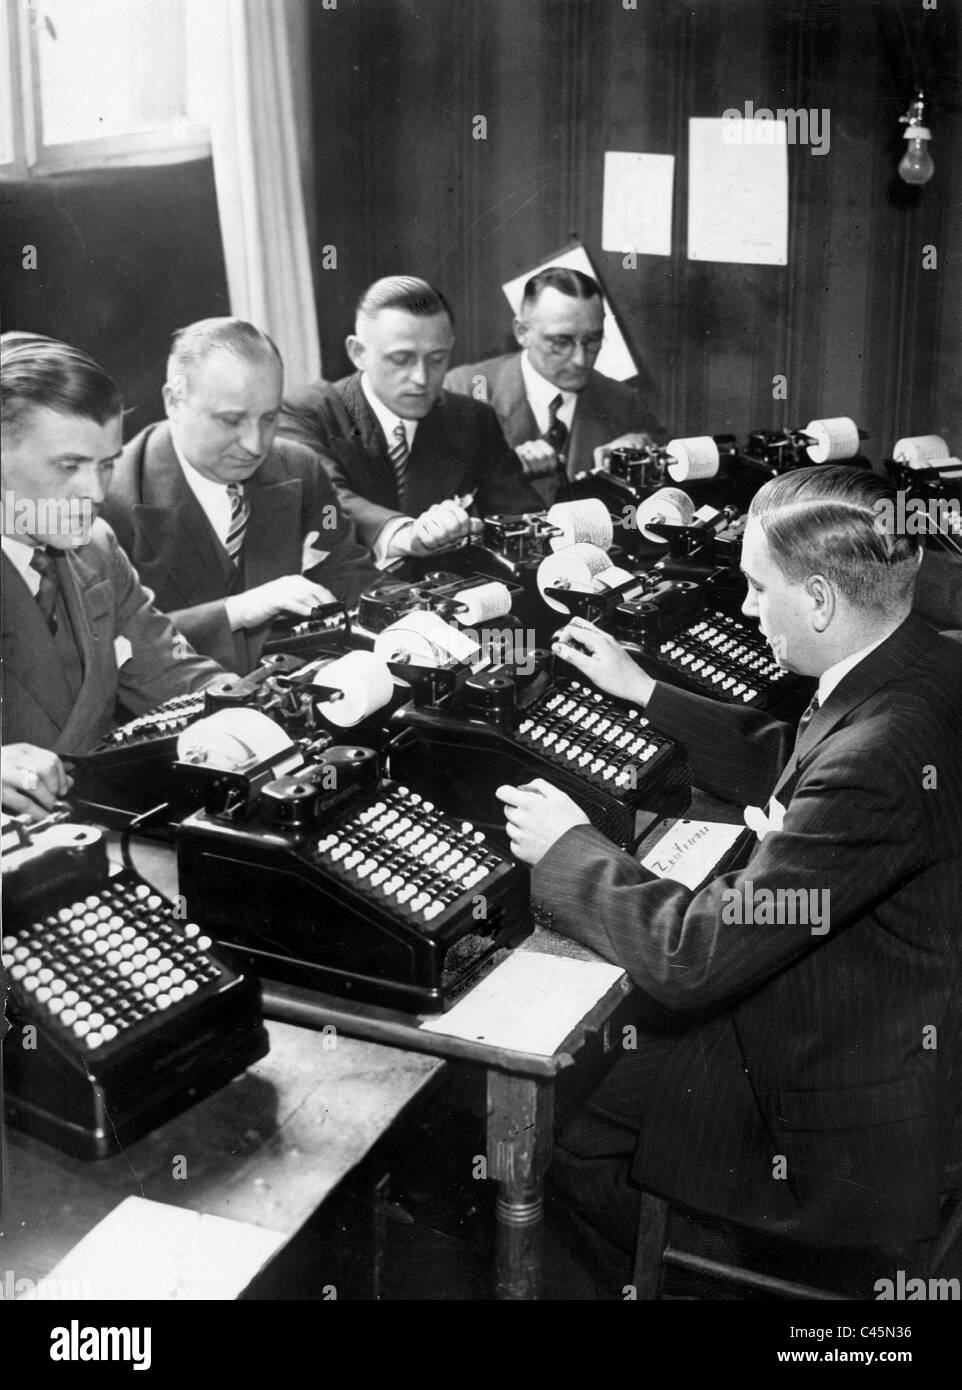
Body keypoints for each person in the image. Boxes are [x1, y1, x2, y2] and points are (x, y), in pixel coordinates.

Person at [496, 464, 962, 1296]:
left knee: (570, 1132)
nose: (746, 610)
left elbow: (693, 956)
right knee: (606, 1093)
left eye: (757, 588)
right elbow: (802, 759)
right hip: (890, 1024)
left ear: (819, 601)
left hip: (844, 1121)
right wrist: (645, 691)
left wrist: (566, 846)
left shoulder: (875, 764)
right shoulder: (925, 666)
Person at [1, 332, 224, 821]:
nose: (94, 492)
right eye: (69, 466)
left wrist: (269, 706)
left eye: (105, 465)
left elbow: (169, 672)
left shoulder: (96, 545)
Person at [100, 318, 378, 674]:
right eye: (231, 420)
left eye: (268, 418)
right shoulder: (105, 501)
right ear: (174, 401)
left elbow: (349, 571)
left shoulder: (300, 467)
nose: (255, 444)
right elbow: (112, 648)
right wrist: (235, 611)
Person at [279, 276, 543, 562]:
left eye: (437, 359)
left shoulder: (473, 419)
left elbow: (520, 513)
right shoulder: (307, 412)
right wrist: (404, 534)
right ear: (358, 353)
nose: (421, 378)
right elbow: (330, 500)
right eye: (401, 359)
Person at [444, 266, 663, 505]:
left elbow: (668, 478)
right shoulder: (464, 389)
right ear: (522, 332)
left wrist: (646, 449)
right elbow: (431, 494)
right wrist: (501, 468)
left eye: (592, 340)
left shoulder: (624, 401)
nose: (580, 360)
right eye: (561, 342)